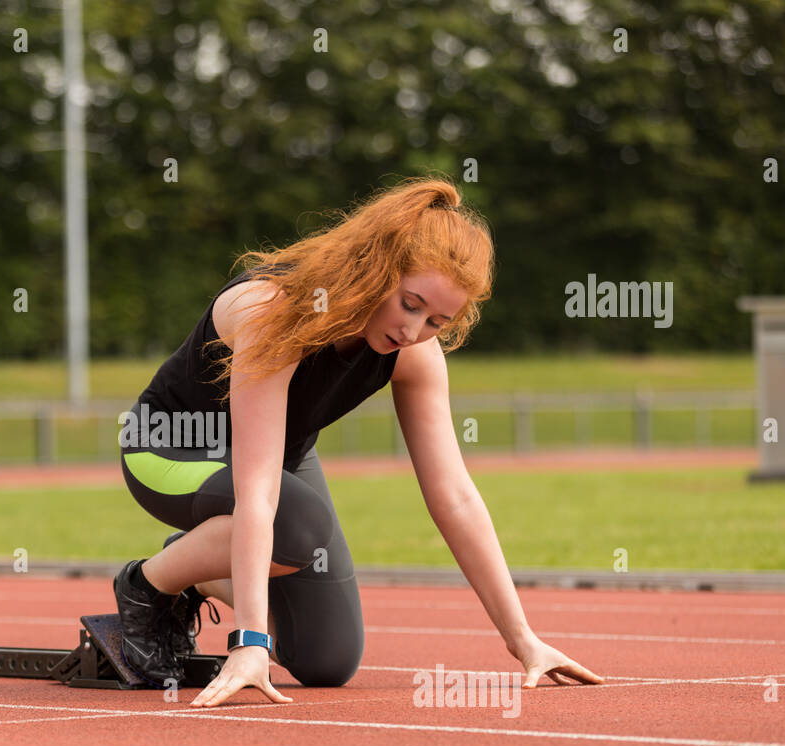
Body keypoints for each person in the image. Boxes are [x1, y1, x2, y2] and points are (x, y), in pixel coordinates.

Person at [112, 177, 603, 708]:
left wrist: (523, 641)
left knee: (327, 659)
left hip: (277, 466)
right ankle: (146, 584)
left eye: (438, 321)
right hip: (168, 448)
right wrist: (249, 641)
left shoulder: (413, 354)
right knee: (298, 524)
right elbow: (258, 491)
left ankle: (198, 573)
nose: (414, 331)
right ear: (377, 269)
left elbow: (454, 495)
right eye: (410, 304)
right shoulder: (272, 310)